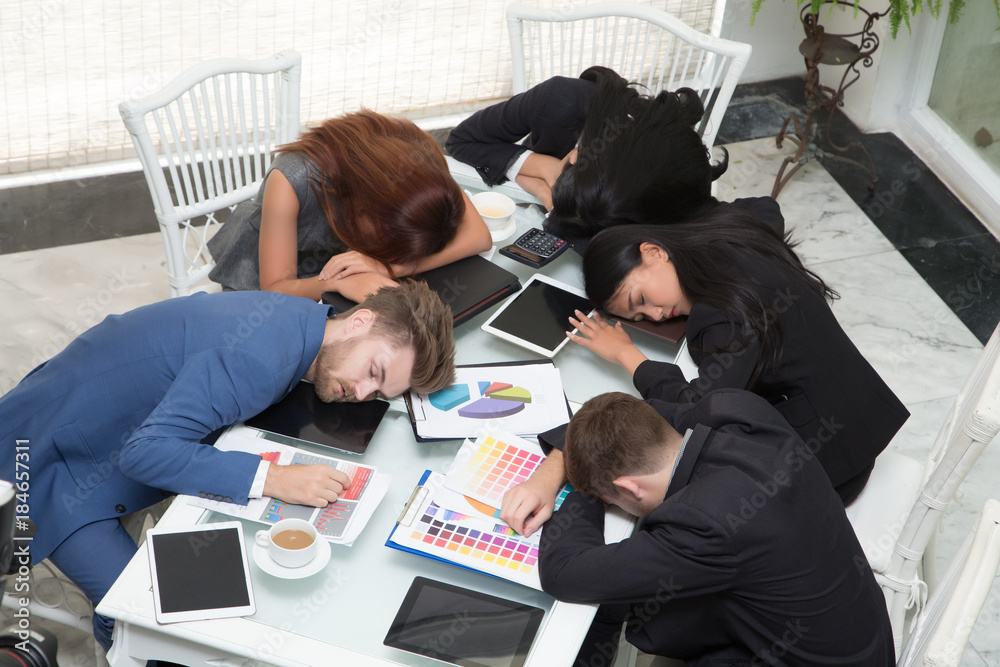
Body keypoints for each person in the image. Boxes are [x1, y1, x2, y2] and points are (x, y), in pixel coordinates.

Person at [0, 281, 455, 652]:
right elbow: (144, 453)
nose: (360, 393)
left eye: (378, 393)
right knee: (151, 617)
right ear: (361, 319)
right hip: (50, 470)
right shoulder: (257, 359)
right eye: (373, 372)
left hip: (73, 414)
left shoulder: (300, 320)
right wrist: (273, 478)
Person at [500, 208, 908, 539]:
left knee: (657, 474)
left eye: (642, 300)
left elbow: (697, 408)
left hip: (829, 466)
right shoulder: (728, 234)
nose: (657, 315)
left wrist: (628, 354)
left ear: (654, 252)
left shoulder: (723, 316)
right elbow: (767, 207)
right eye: (640, 316)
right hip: (857, 417)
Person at [539, 391, 895, 666]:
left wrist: (584, 491)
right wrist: (558, 466)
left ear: (630, 488)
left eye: (611, 497)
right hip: (861, 633)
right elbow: (646, 413)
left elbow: (563, 573)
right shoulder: (738, 410)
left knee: (625, 603)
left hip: (807, 659)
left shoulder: (703, 524)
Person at [446, 66, 780, 248]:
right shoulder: (560, 102)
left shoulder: (672, 180)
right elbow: (461, 141)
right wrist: (542, 171)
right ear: (576, 154)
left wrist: (549, 187)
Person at [208, 110, 493, 301]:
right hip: (279, 269)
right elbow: (276, 288)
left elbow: (479, 236)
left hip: (350, 260)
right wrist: (335, 284)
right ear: (369, 205)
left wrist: (389, 268)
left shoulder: (417, 160)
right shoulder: (291, 179)